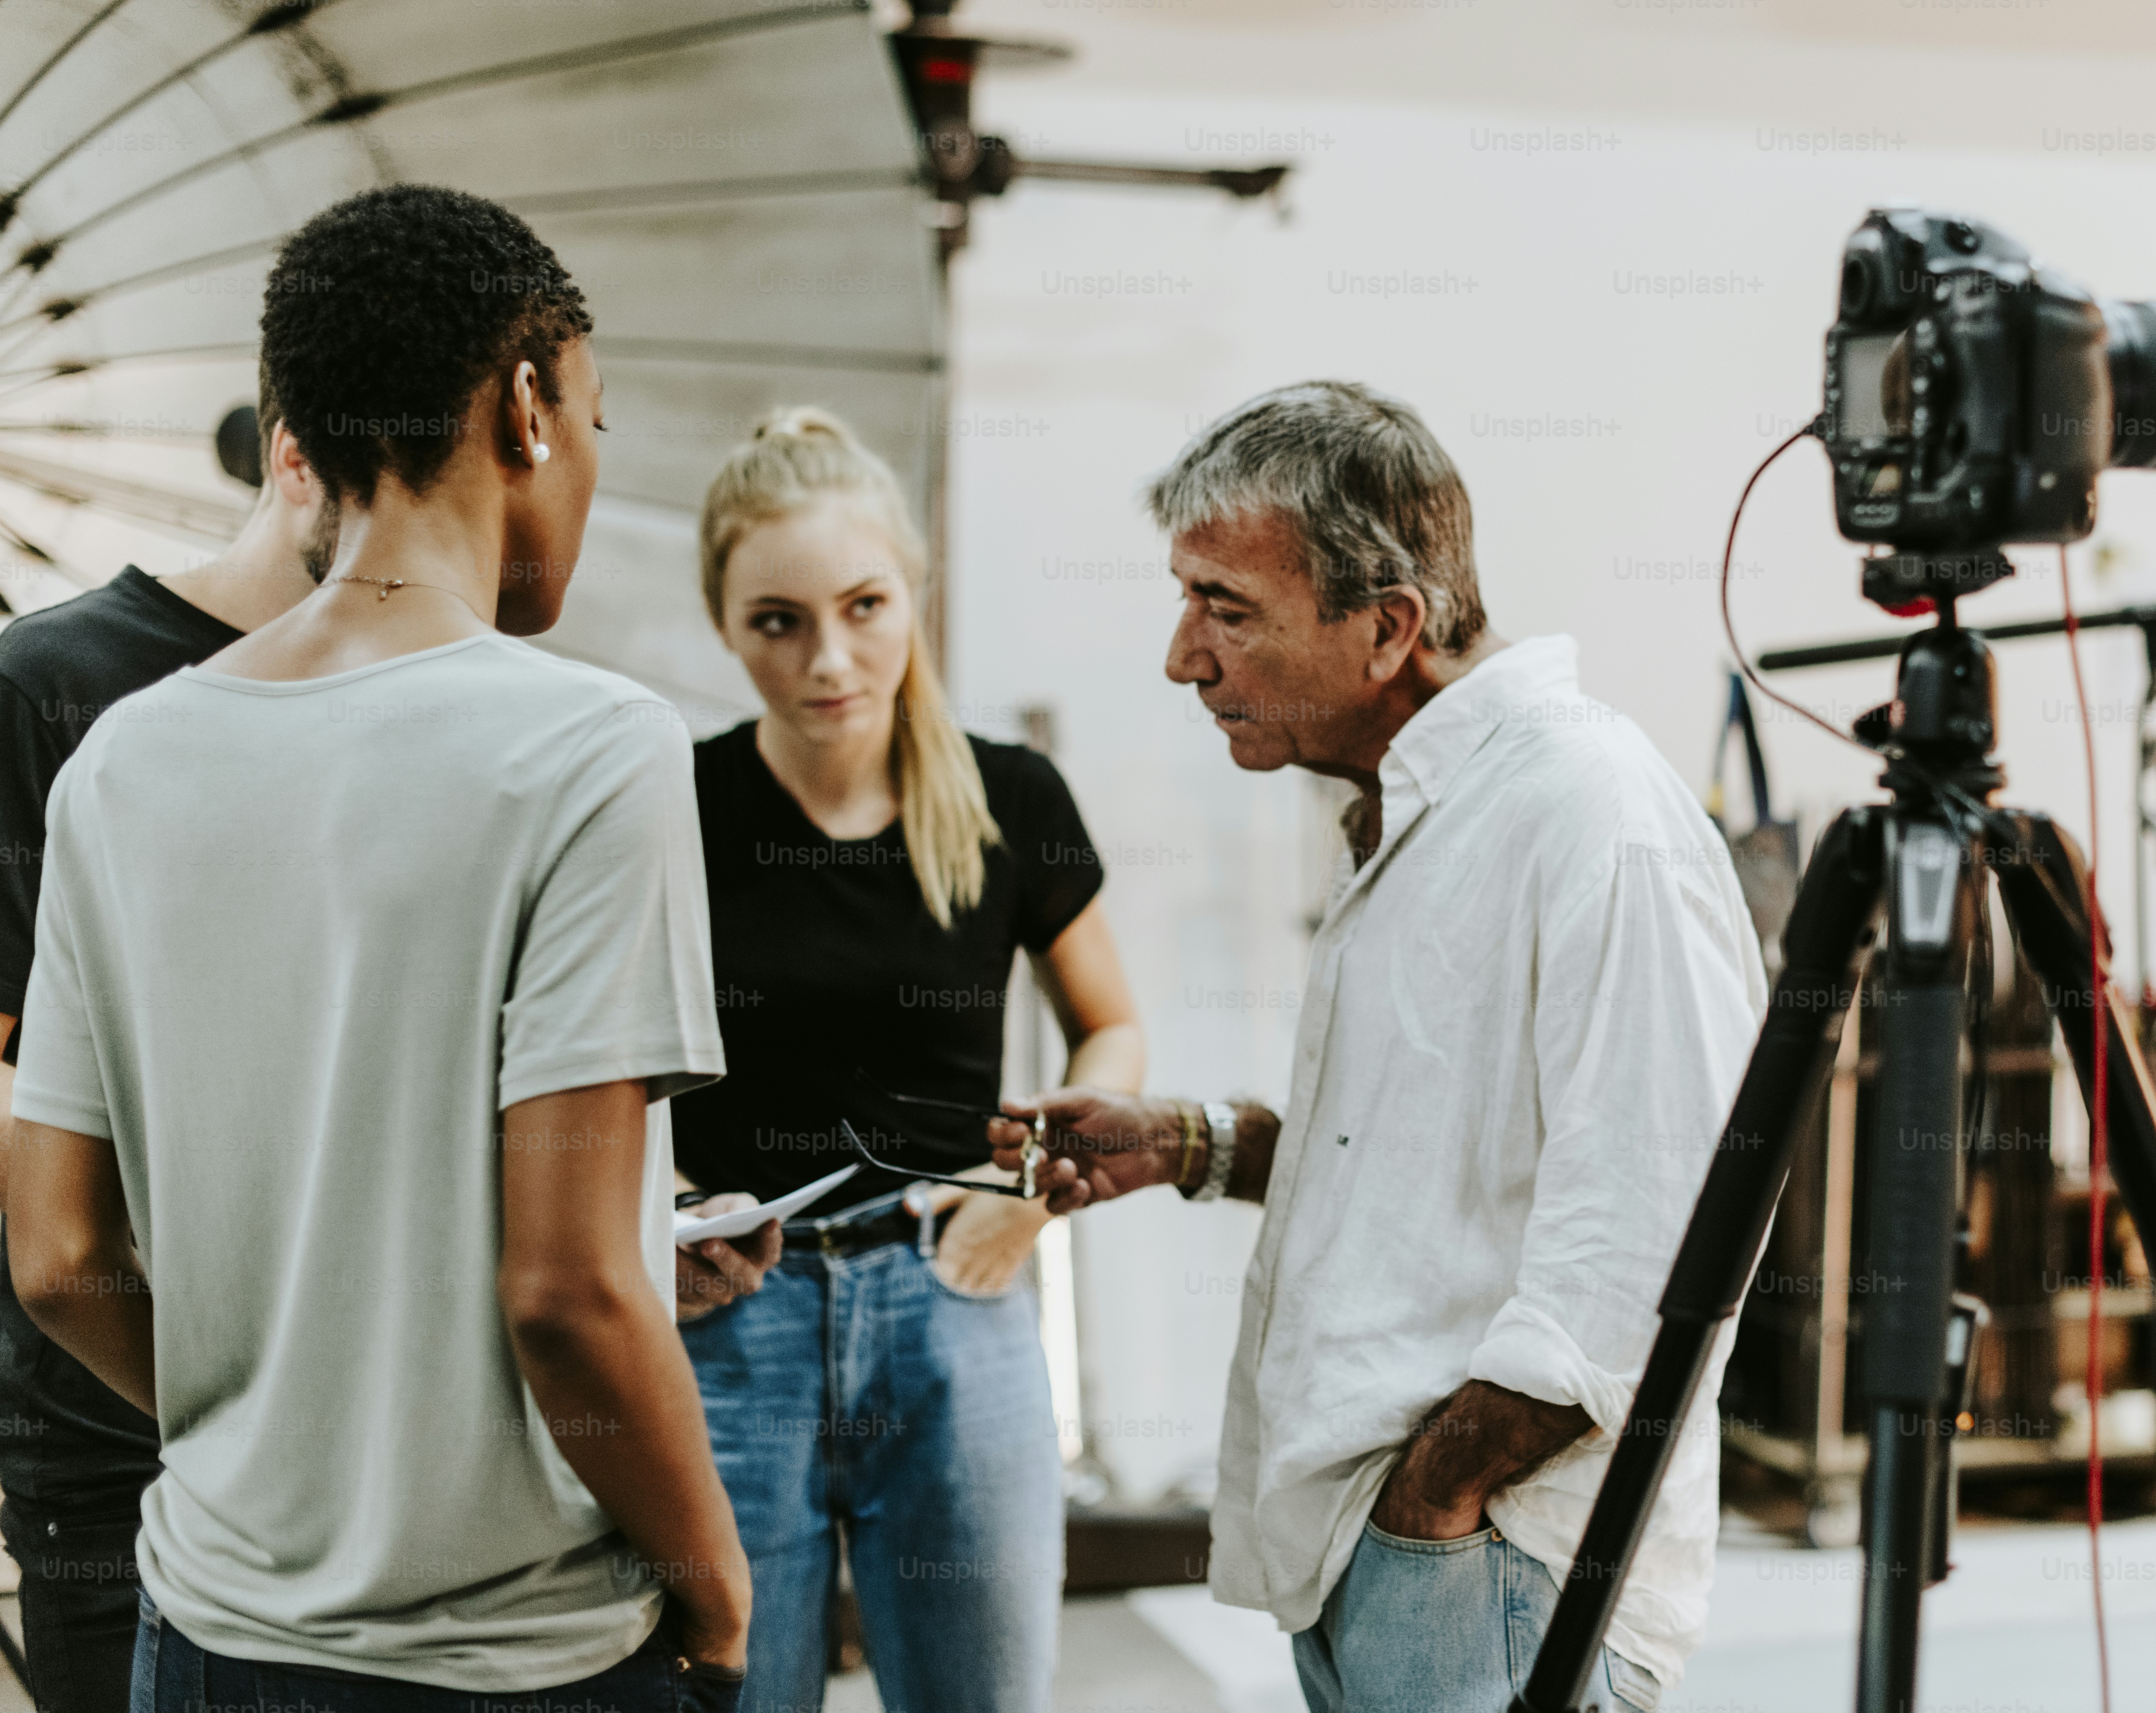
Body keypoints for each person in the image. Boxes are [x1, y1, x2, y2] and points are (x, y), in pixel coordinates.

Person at [4, 183, 752, 1713]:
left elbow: (62, 1254)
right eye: (598, 419)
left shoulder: (123, 762)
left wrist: (267, 1422)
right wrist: (720, 1585)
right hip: (512, 1660)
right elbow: (572, 1293)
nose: (594, 465)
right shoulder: (595, 746)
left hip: (203, 1630)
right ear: (531, 408)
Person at [995, 382, 1763, 1713]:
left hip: (1496, 1568)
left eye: (1227, 609)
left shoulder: (1590, 812)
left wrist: (1442, 1494)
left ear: (1388, 627)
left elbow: (1663, 1232)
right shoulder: (1423, 813)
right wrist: (1196, 1144)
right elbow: (1430, 1159)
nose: (1186, 658)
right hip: (1391, 1549)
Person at [670, 409, 1145, 1713]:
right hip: (729, 1327)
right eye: (777, 621)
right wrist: (655, 1213)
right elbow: (579, 1072)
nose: (831, 658)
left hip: (952, 1300)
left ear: (914, 590)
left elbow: (1114, 1026)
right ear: (722, 620)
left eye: (866, 605)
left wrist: (1032, 1198)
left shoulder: (1010, 797)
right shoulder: (674, 807)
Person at [0, 384, 329, 1713]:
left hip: (369, 1448)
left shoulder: (436, 696)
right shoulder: (48, 684)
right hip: (118, 1451)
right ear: (299, 458)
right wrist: (244, 1194)